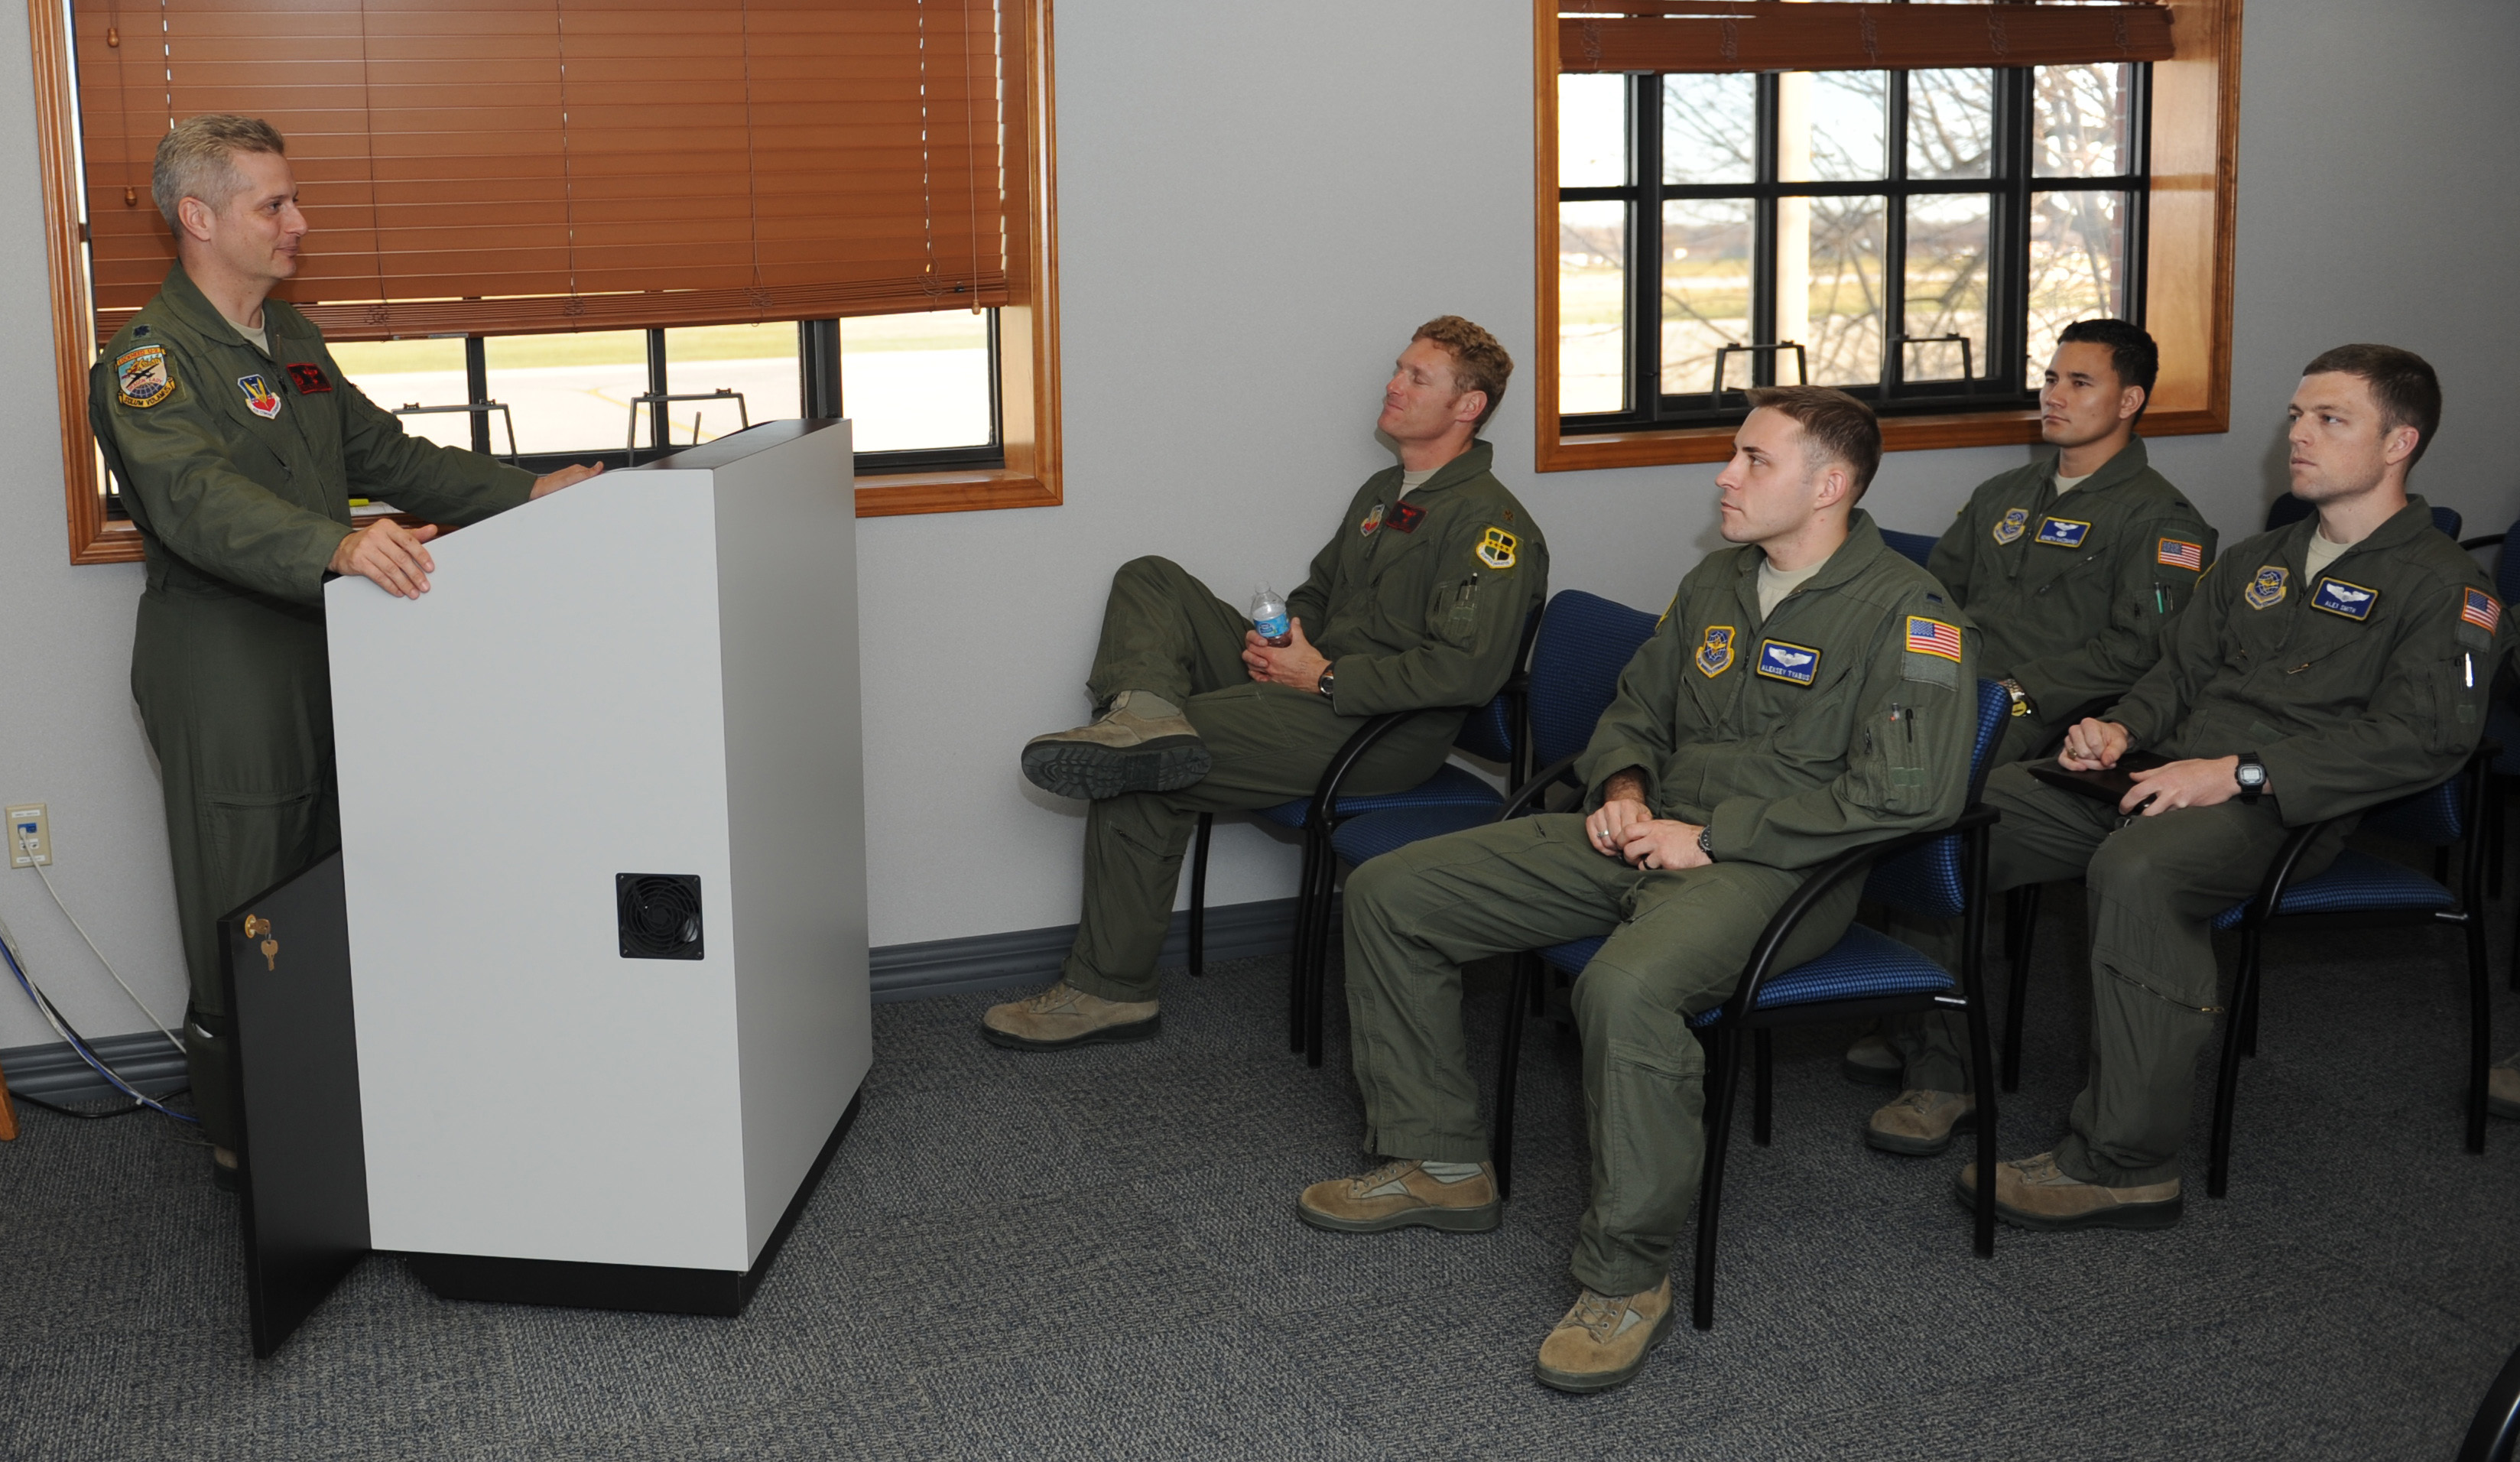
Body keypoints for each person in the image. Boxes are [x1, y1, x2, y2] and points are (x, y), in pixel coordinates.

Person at [1298, 387, 1976, 1393]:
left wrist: (1712, 837)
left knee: (1625, 991)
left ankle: (1625, 1279)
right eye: (1733, 455)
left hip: (1777, 867)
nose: (1724, 477)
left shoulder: (1909, 616)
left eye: (1753, 461)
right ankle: (1437, 1162)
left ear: (1829, 484)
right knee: (1393, 892)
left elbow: (1906, 794)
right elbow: (1635, 710)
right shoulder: (1717, 581)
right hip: (1645, 831)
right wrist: (1621, 788)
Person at [89, 115, 602, 1185]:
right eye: (273, 204)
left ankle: (339, 1112)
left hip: (332, 646)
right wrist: (337, 543)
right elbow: (196, 502)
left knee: (335, 882)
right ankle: (250, 1146)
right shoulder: (146, 364)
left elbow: (385, 455)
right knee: (246, 901)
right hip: (225, 665)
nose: (299, 222)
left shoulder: (292, 339)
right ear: (199, 217)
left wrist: (529, 491)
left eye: (294, 200)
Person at [1952, 344, 2504, 1232]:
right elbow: (2175, 673)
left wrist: (2240, 771)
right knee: (1968, 811)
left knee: (2138, 871)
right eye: (2295, 416)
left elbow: (2423, 738)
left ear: (2398, 442)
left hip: (2279, 805)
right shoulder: (2258, 558)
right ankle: (1938, 1065)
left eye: (2329, 419)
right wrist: (2118, 728)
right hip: (2166, 772)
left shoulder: (2446, 587)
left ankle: (2124, 1165)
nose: (2297, 435)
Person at [987, 317, 1548, 1050]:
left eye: (1418, 377)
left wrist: (1323, 675)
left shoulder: (1492, 527)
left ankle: (1108, 991)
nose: (1393, 384)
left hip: (1378, 728)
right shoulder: (1386, 488)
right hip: (1310, 680)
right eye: (1398, 369)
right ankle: (1144, 714)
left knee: (1141, 769)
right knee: (1150, 578)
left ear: (1468, 406)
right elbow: (1321, 587)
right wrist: (1285, 638)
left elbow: (1465, 673)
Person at [1848, 320, 2218, 1153]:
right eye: (2050, 377)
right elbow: (1933, 602)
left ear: (2129, 400)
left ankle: (1944, 1071)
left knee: (1935, 808)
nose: (2053, 394)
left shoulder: (2163, 522)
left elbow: (2145, 650)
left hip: (2058, 719)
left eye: (2080, 382)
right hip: (1962, 693)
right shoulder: (2003, 495)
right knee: (1862, 762)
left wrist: (2016, 693)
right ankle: (1907, 1004)